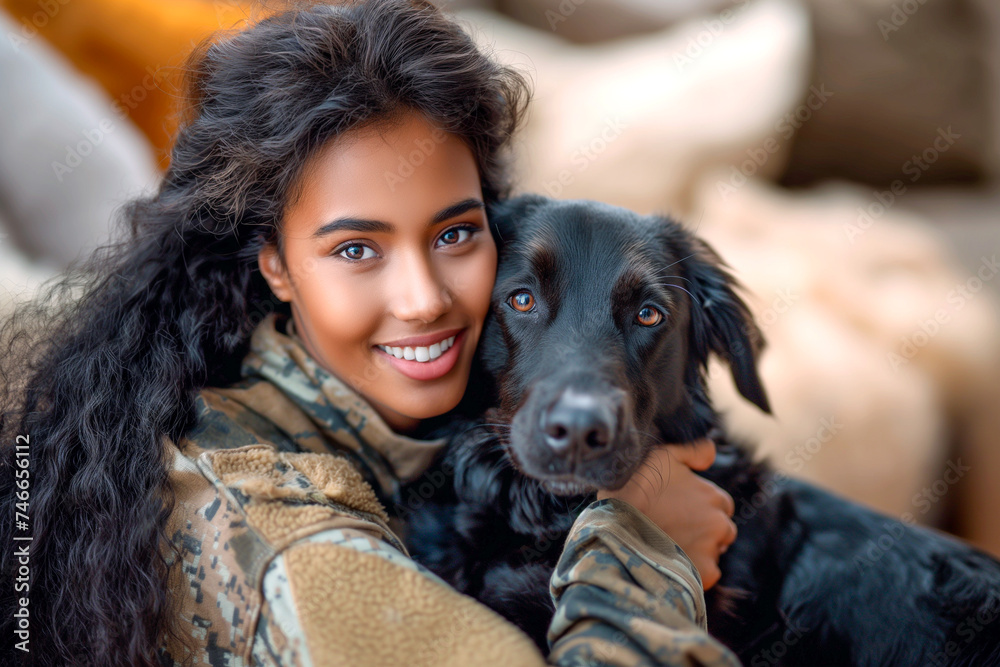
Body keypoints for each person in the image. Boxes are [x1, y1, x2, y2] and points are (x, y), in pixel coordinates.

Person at [0, 1, 740, 665]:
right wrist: (646, 546)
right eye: (357, 249)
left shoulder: (396, 414)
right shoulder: (292, 550)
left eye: (455, 234)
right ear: (277, 267)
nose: (423, 300)